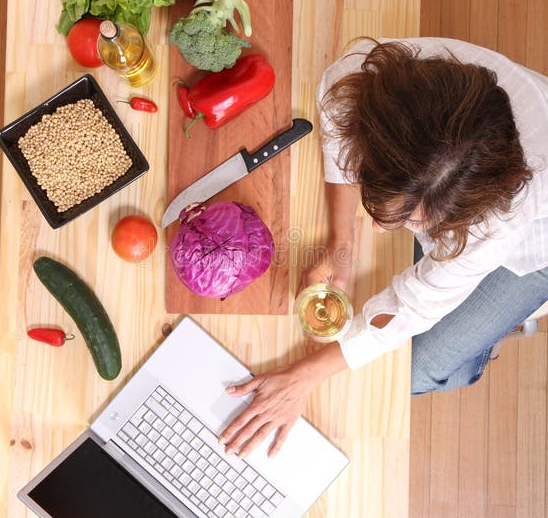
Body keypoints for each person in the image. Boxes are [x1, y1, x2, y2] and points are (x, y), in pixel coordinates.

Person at [219, 37, 548, 459]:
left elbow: (414, 307)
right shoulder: (363, 81)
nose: (376, 227)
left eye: (412, 222)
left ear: (458, 218)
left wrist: (302, 378)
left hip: (535, 245)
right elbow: (339, 137)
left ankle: (483, 349)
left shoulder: (498, 221)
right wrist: (341, 243)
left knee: (412, 370)